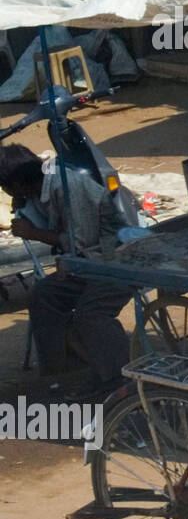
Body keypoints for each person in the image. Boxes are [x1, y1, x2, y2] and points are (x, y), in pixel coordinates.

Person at [0, 145, 133, 401]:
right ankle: (68, 373)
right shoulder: (36, 191)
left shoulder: (66, 186)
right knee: (43, 295)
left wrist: (33, 233)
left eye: (7, 187)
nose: (6, 193)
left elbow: (82, 242)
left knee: (90, 314)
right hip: (85, 262)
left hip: (114, 260)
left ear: (18, 183)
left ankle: (120, 379)